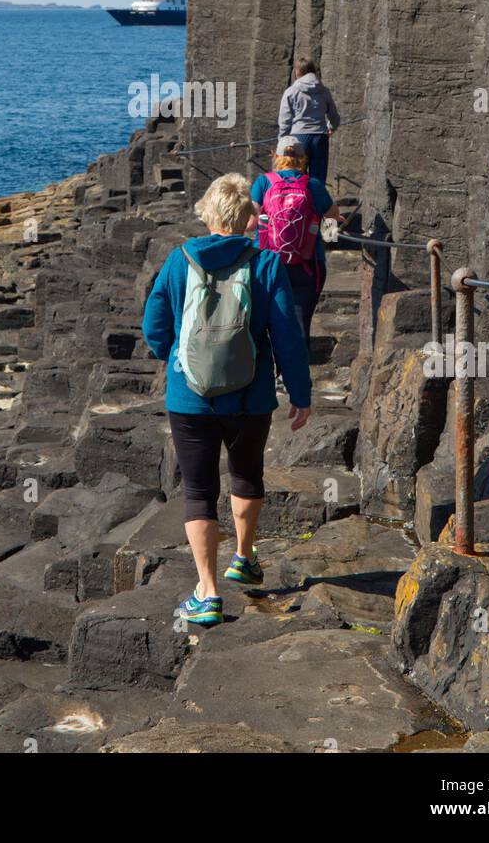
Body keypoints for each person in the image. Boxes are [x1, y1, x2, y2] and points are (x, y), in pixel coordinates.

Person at [142, 172, 311, 628]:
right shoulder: (268, 264)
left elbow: (154, 327)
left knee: (198, 491)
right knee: (246, 474)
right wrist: (301, 393)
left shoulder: (179, 261)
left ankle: (208, 593)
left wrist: (174, 356)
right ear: (247, 219)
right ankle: (244, 555)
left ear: (209, 213)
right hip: (250, 396)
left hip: (190, 396)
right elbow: (288, 337)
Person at [250, 137, 342, 343]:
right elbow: (332, 218)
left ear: (276, 157)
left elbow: (250, 221)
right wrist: (328, 239)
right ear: (303, 159)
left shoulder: (263, 182)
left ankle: (273, 367)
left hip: (267, 261)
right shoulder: (313, 185)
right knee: (300, 322)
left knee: (266, 319)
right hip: (307, 261)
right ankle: (298, 367)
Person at [277, 57, 340, 185]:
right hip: (320, 138)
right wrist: (331, 128)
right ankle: (317, 204)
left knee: (296, 178)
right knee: (318, 181)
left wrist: (282, 141)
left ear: (297, 71)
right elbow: (334, 116)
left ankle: (299, 204)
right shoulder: (324, 91)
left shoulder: (291, 92)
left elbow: (284, 121)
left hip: (298, 138)